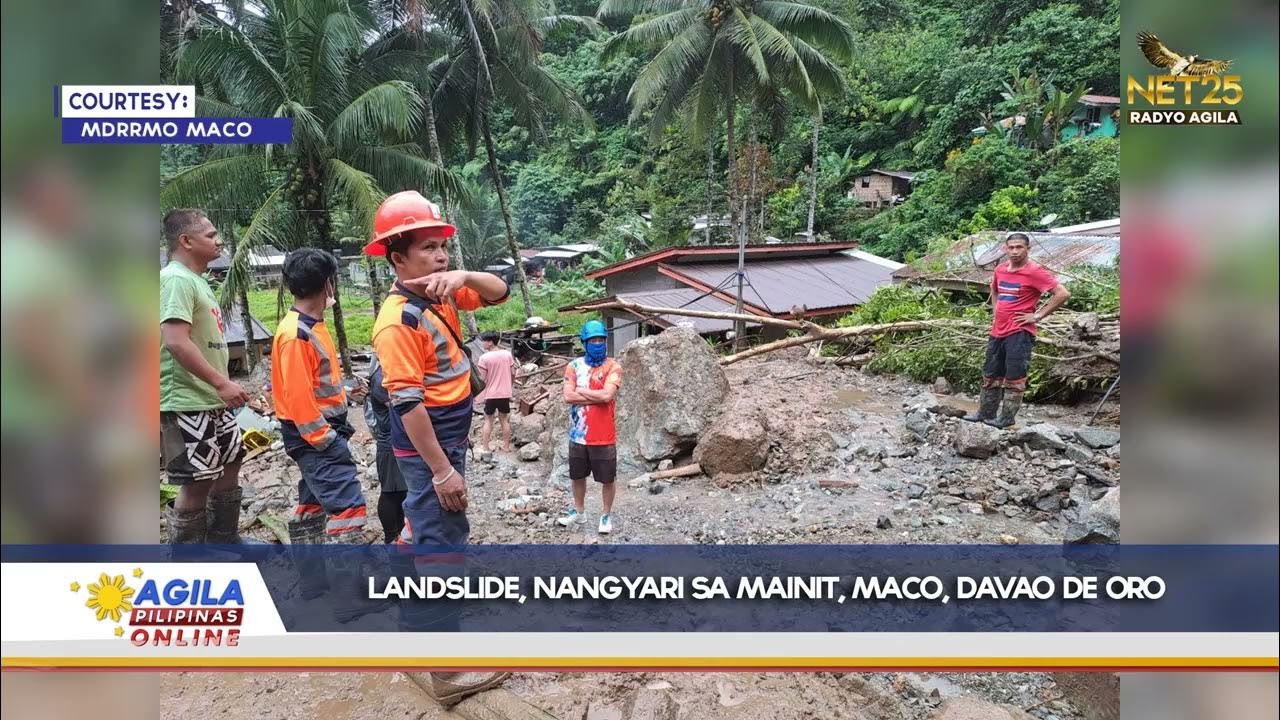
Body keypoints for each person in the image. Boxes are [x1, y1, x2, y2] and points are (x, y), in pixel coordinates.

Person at [365, 190, 510, 706]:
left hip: (448, 431)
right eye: (426, 247)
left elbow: (500, 293)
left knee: (417, 531)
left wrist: (465, 277)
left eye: (442, 245)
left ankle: (413, 634)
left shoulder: (443, 294)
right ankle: (447, 670)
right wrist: (444, 472)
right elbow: (407, 405)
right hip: (430, 442)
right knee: (442, 540)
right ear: (396, 258)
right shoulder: (399, 321)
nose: (440, 256)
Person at [271, 248, 375, 618]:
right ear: (326, 283)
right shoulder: (297, 335)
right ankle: (349, 600)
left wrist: (344, 394)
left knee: (312, 506)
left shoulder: (309, 327)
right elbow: (300, 402)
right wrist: (329, 443)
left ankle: (315, 584)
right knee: (348, 509)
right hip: (317, 436)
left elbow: (312, 385)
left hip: (319, 431)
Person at [159, 209, 252, 544]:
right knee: (196, 480)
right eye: (211, 235)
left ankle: (224, 540)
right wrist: (221, 382)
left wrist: (220, 385)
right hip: (185, 400)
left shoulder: (197, 280)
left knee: (231, 462)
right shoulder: (175, 280)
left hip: (211, 398)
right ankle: (189, 558)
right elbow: (174, 340)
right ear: (186, 240)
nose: (219, 240)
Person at [964, 232, 1071, 428]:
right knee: (990, 373)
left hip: (1020, 333)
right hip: (998, 331)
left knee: (1014, 377)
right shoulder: (1000, 269)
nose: (1014, 251)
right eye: (1011, 247)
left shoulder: (1035, 272)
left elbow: (1062, 293)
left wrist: (1037, 315)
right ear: (1005, 248)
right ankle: (985, 413)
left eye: (1019, 247)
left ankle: (1006, 419)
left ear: (1028, 249)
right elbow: (995, 290)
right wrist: (996, 310)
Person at [557, 319, 623, 535]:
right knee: (577, 476)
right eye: (593, 340)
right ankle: (580, 512)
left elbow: (608, 395)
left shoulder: (614, 366)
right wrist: (597, 396)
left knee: (607, 479)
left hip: (604, 436)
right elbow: (568, 396)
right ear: (584, 342)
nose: (597, 343)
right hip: (578, 436)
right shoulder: (573, 366)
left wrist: (582, 392)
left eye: (601, 340)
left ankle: (605, 515)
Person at [364, 355, 407, 544]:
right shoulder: (381, 377)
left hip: (399, 440)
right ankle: (391, 536)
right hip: (390, 442)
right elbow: (403, 406)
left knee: (402, 491)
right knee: (391, 491)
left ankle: (401, 535)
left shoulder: (389, 373)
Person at [476, 331, 515, 453]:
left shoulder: (484, 358)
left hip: (491, 394)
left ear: (490, 342)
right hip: (504, 393)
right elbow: (513, 373)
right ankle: (506, 447)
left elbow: (481, 379)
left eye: (484, 341)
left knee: (488, 420)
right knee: (504, 419)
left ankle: (486, 447)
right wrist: (510, 385)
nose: (482, 344)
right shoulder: (507, 354)